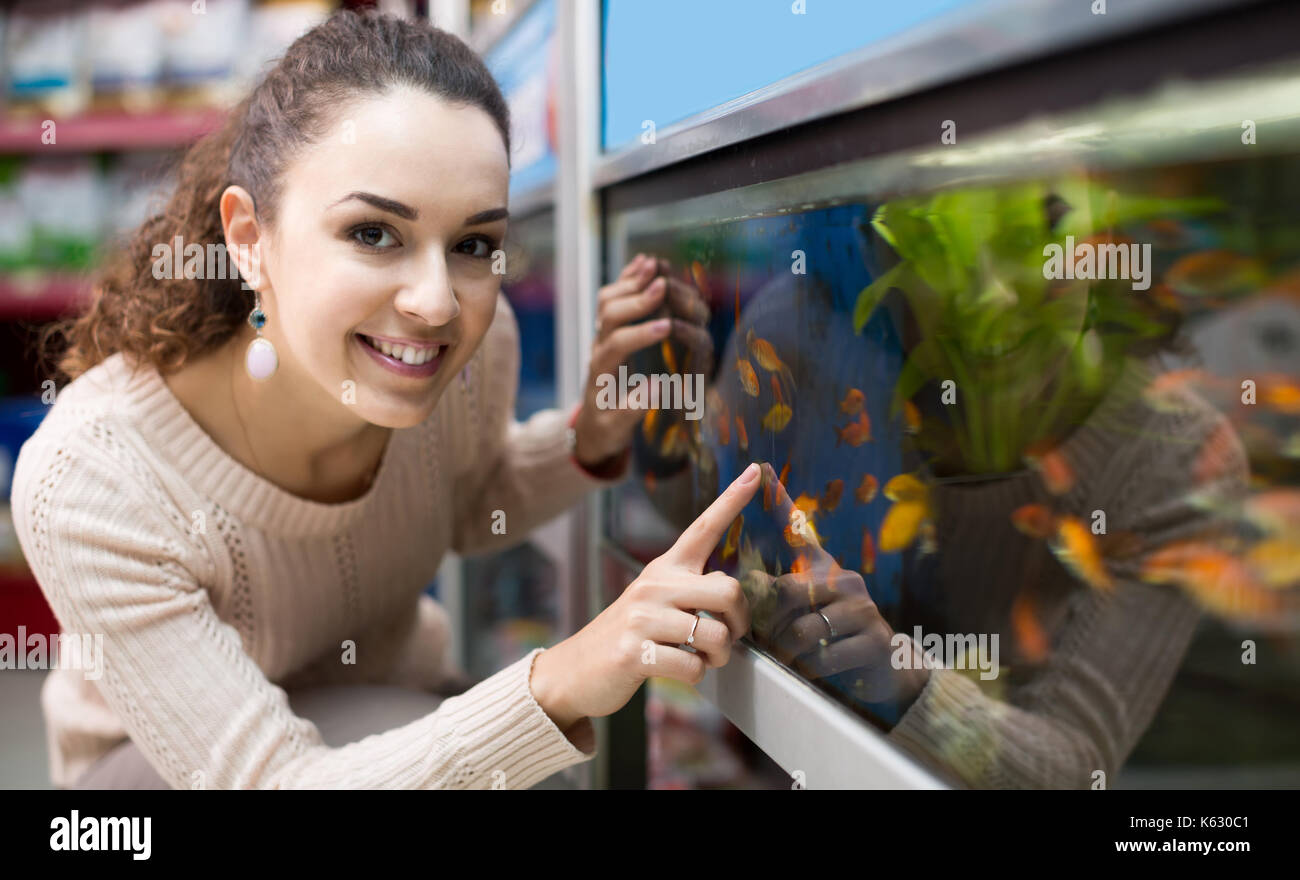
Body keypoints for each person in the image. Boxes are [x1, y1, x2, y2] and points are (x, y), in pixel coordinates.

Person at [12, 10, 753, 790]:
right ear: (247, 237)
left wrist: (593, 433)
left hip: (386, 708)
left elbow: (467, 501)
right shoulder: (92, 475)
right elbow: (277, 782)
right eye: (373, 233)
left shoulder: (475, 345)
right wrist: (563, 676)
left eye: (473, 245)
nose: (436, 304)